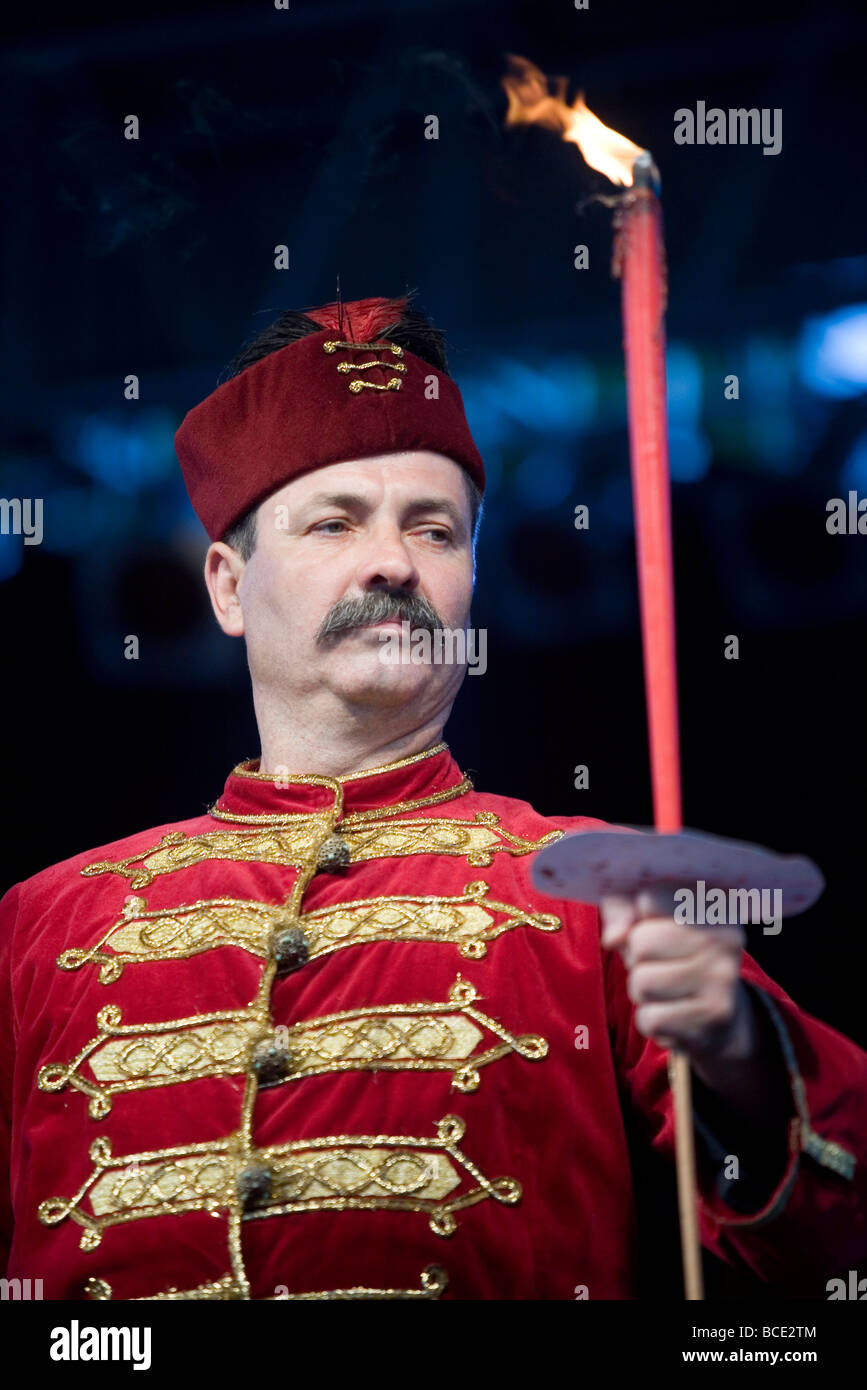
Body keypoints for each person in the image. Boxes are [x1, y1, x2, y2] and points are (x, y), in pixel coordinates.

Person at [1, 294, 864, 1301]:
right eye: (334, 522)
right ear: (228, 587)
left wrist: (744, 1063)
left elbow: (832, 1247)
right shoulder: (43, 920)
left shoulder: (602, 889)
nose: (394, 562)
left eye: (437, 529)